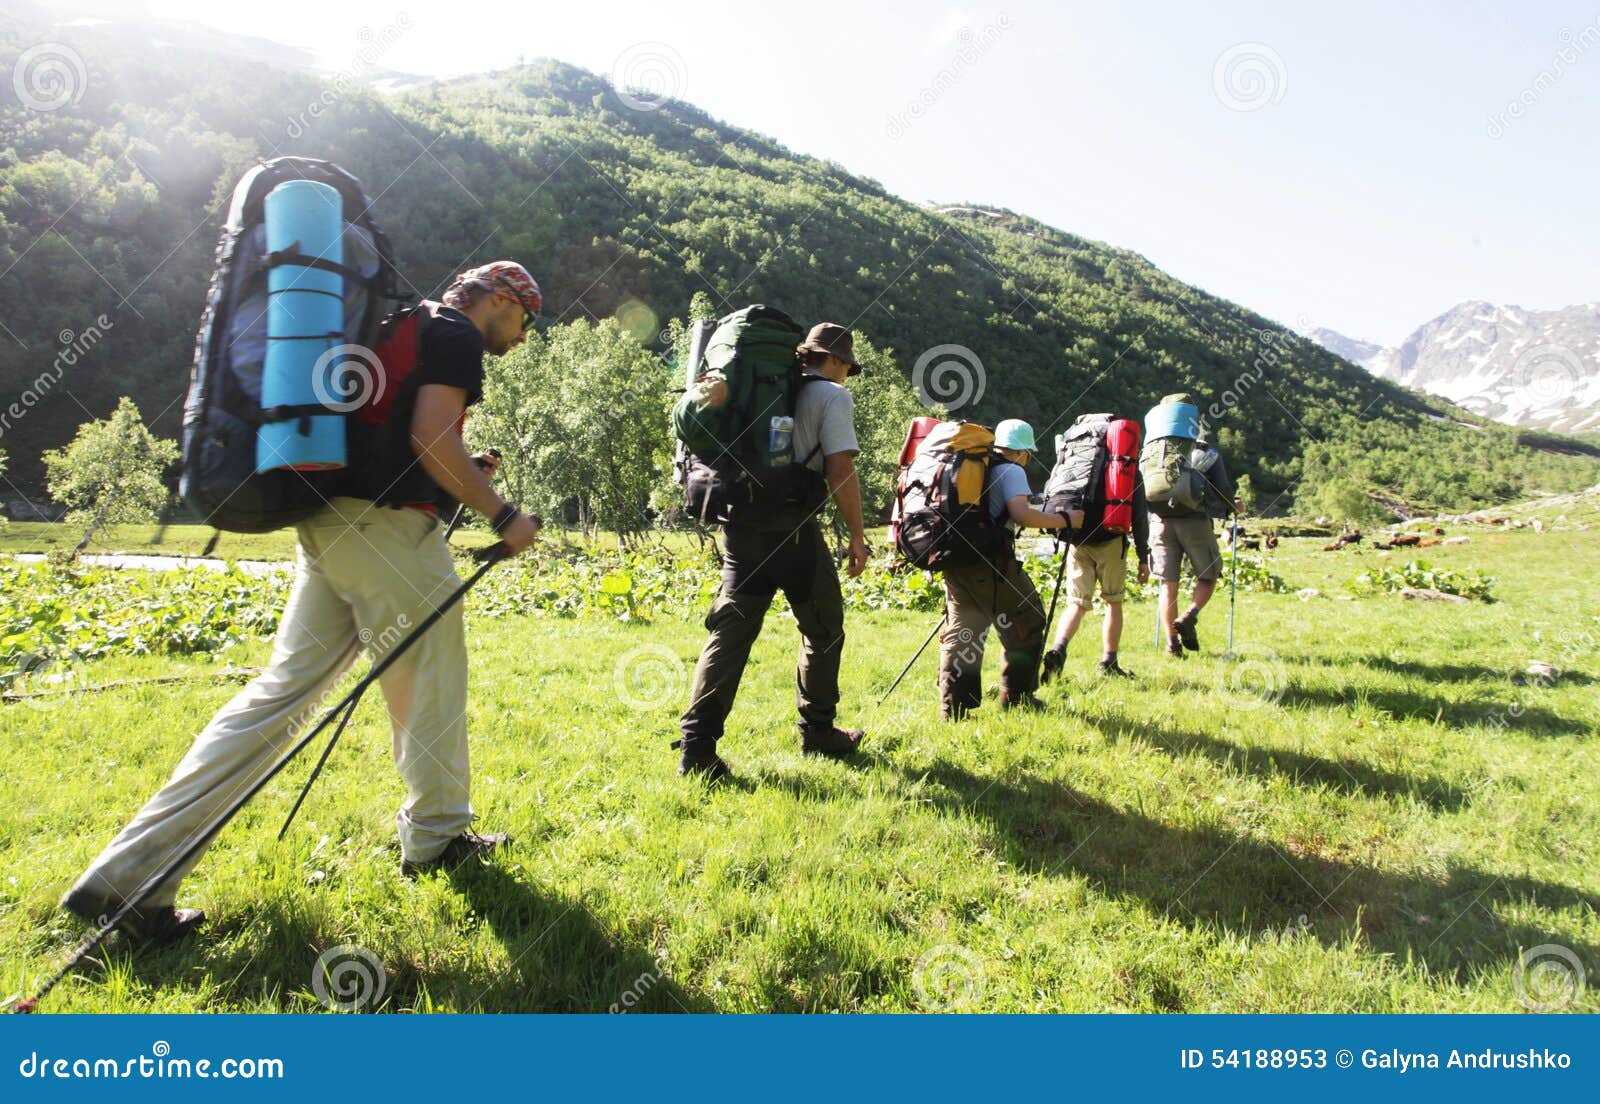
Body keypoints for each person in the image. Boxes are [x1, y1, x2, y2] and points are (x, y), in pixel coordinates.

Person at [62, 261, 545, 943]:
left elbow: (396, 431)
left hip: (329, 525)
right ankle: (436, 840)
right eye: (526, 316)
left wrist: (457, 477)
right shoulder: (456, 334)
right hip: (387, 534)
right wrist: (502, 513)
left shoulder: (399, 323)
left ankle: (126, 877)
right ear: (499, 299)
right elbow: (430, 435)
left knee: (277, 698)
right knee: (432, 683)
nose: (524, 334)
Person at [675, 323, 871, 781]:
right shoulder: (833, 397)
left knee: (730, 635)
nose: (847, 376)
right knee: (824, 629)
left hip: (741, 528)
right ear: (838, 362)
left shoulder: (763, 386)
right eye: (848, 367)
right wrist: (857, 535)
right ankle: (818, 730)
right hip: (793, 531)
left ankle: (697, 748)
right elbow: (840, 467)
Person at [937, 419, 1080, 721]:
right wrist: (1066, 520)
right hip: (989, 563)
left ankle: (954, 709)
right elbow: (1022, 515)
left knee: (963, 632)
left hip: (954, 558)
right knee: (1028, 619)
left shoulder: (974, 464)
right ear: (1023, 452)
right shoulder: (1011, 470)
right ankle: (1016, 697)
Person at [1041, 460, 1152, 680]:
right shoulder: (1124, 462)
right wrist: (1142, 556)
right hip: (1110, 539)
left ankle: (1059, 649)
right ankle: (1109, 661)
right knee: (1113, 601)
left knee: (1076, 602)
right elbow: (1139, 515)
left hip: (1078, 538)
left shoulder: (1076, 455)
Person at [1148, 395, 1239, 657]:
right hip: (1195, 521)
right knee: (1208, 576)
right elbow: (1222, 490)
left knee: (1168, 584)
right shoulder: (1204, 450)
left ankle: (1172, 644)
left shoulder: (1154, 450)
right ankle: (1190, 615)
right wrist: (1233, 507)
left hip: (1160, 522)